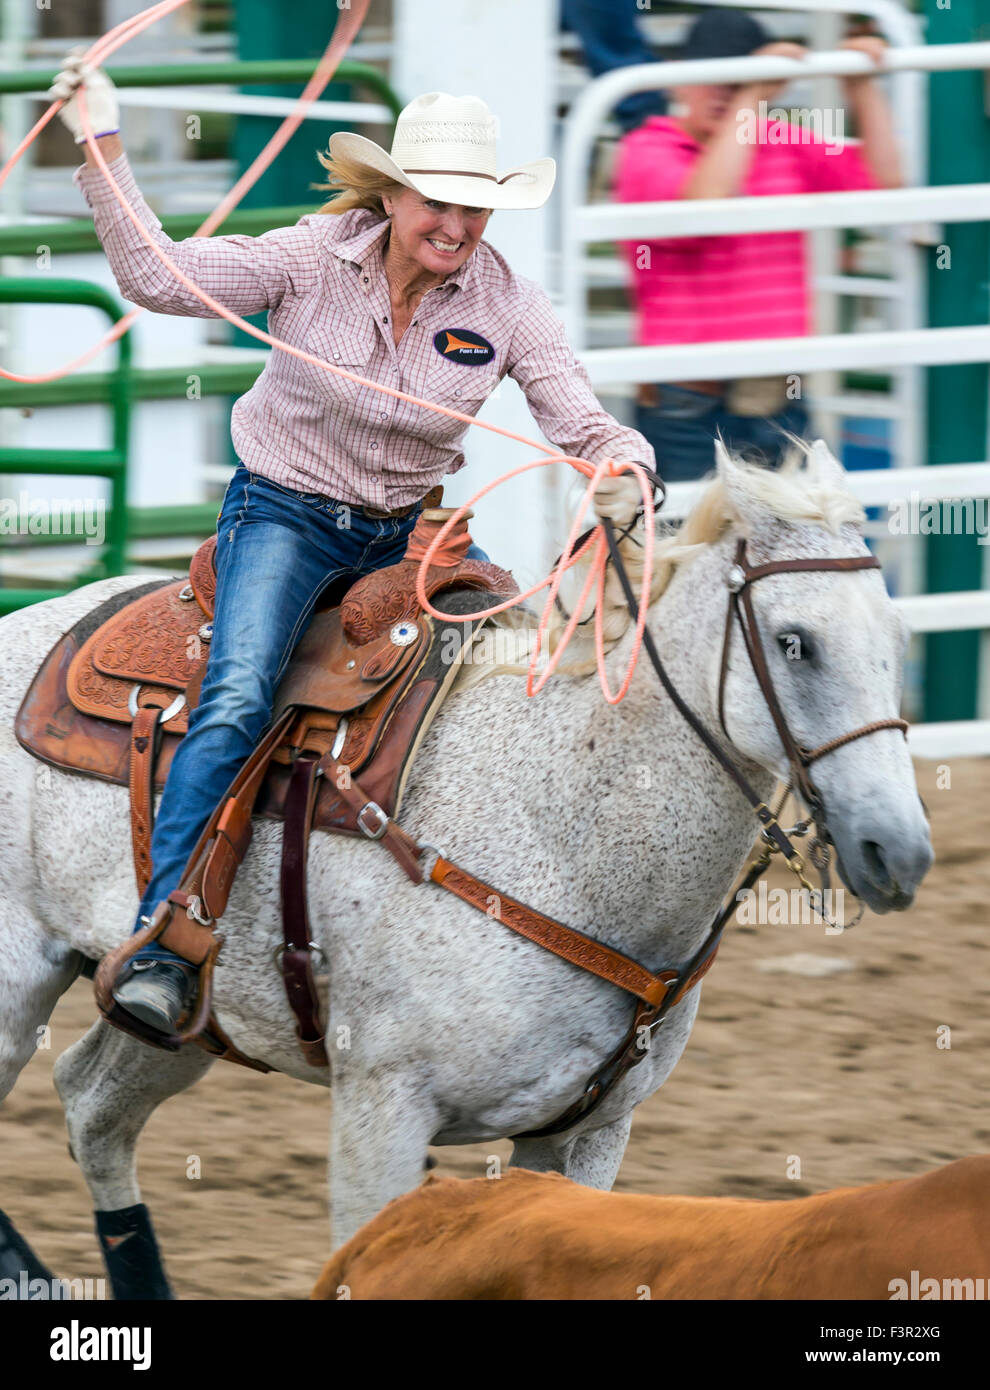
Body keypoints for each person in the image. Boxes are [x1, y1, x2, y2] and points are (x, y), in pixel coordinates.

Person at [51, 57, 656, 1035]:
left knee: (506, 677)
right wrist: (102, 135)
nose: (456, 228)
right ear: (393, 194)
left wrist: (624, 461)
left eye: (476, 209)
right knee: (242, 688)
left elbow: (578, 415)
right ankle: (164, 937)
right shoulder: (308, 256)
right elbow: (156, 277)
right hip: (282, 516)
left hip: (406, 535)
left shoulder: (508, 304)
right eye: (437, 204)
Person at [615, 9, 903, 482]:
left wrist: (861, 87)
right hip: (684, 408)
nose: (725, 91)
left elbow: (883, 187)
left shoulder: (781, 140)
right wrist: (752, 94)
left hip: (776, 398)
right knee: (681, 552)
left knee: (806, 551)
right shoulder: (648, 149)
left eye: (741, 77)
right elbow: (704, 211)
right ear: (679, 83)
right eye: (715, 76)